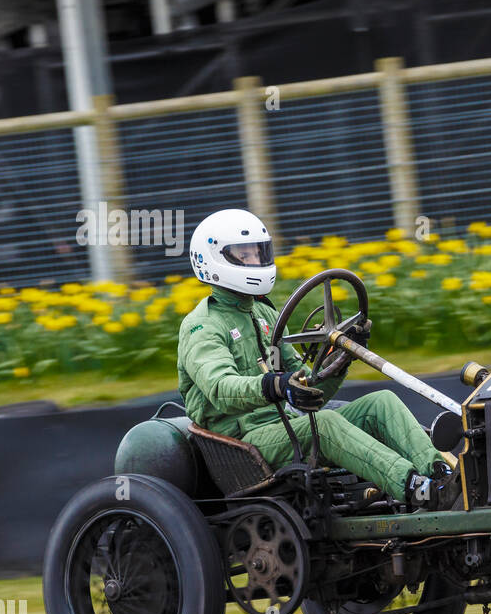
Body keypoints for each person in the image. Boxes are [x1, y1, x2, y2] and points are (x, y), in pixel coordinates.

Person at [176, 209, 449, 505]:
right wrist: (276, 385)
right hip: (244, 444)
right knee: (325, 424)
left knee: (382, 402)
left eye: (258, 253)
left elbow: (308, 390)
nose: (256, 260)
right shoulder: (202, 326)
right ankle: (415, 487)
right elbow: (220, 389)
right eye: (245, 255)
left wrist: (339, 360)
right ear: (213, 259)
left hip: (285, 424)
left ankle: (441, 473)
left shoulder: (265, 314)